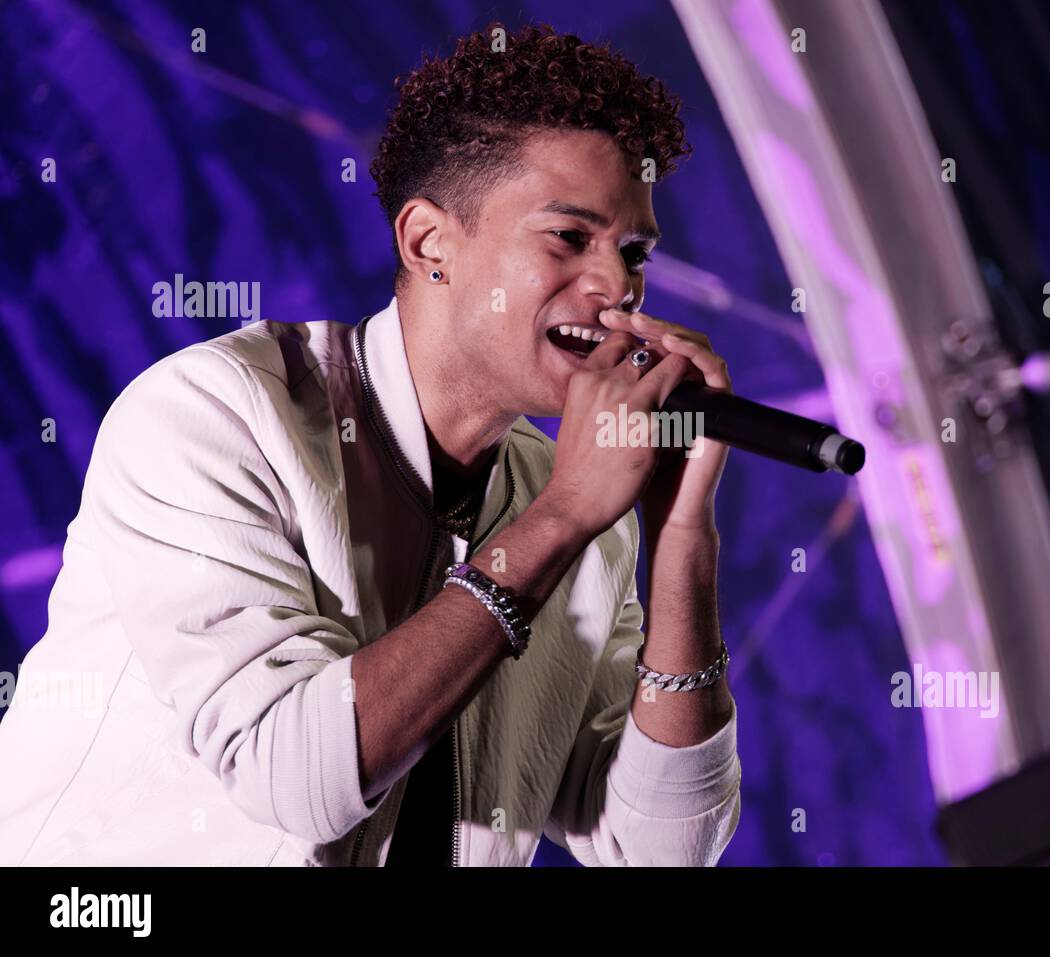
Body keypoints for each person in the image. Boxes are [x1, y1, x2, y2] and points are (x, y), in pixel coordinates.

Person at [0, 22, 740, 866]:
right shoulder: (214, 416)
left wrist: (684, 533)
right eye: (569, 238)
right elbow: (296, 777)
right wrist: (564, 515)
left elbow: (662, 847)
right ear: (429, 243)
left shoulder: (586, 513)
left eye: (633, 251)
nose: (617, 287)